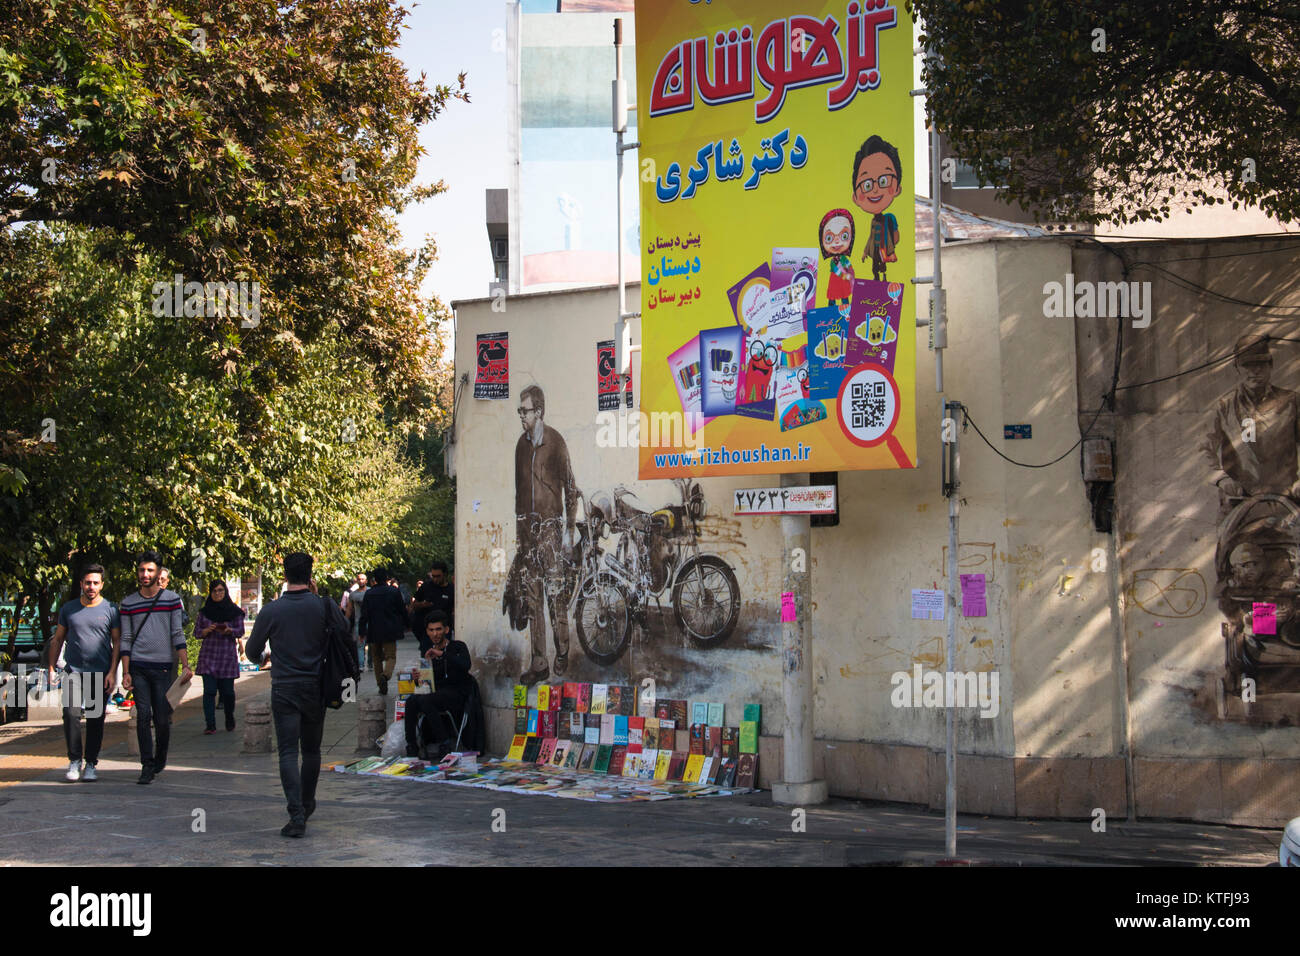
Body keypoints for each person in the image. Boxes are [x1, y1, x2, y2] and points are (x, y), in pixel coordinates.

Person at [243, 552, 353, 838]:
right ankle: (307, 802)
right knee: (313, 750)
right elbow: (345, 633)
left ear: (284, 575)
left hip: (284, 687)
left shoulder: (271, 610)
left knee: (288, 752)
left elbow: (252, 652)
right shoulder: (322, 606)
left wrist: (267, 655)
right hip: (315, 686)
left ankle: (296, 814)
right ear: (310, 575)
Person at [514, 384, 579, 686]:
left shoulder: (555, 442)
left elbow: (571, 488)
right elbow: (518, 495)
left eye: (524, 411)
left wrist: (568, 530)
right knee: (532, 599)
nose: (521, 417)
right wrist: (519, 539)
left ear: (538, 411)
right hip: (527, 533)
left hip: (551, 530)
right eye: (519, 411)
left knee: (555, 596)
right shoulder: (520, 446)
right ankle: (539, 662)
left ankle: (562, 650)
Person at [1204, 333, 1300, 513]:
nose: (1254, 371)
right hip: (1240, 501)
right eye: (1247, 365)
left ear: (1270, 365)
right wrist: (1222, 479)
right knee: (1235, 541)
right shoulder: (1224, 407)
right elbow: (1204, 450)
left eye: (1260, 364)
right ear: (1237, 368)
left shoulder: (1292, 402)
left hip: (1287, 500)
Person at [120, 551, 190, 785]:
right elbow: (126, 638)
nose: (145, 574)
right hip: (138, 667)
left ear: (159, 573)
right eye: (141, 570)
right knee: (143, 715)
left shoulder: (171, 599)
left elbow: (177, 633)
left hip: (163, 668)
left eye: (150, 570)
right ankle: (146, 765)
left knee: (162, 718)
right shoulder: (128, 603)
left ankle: (160, 757)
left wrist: (186, 665)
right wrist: (126, 671)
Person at [47, 565, 120, 782]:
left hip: (100, 673)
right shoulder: (69, 609)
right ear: (81, 584)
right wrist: (51, 668)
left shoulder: (110, 609)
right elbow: (58, 639)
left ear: (102, 585)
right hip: (73, 672)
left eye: (96, 583)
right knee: (70, 714)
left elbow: (117, 642)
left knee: (96, 719)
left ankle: (91, 763)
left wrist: (112, 671)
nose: (91, 586)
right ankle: (74, 760)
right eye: (87, 582)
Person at [404, 611, 472, 758]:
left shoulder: (458, 646)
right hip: (437, 693)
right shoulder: (428, 652)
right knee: (411, 701)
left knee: (426, 700)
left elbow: (465, 665)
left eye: (438, 629)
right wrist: (418, 677)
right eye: (431, 630)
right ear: (427, 632)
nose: (435, 634)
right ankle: (411, 745)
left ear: (446, 630)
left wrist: (443, 654)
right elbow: (428, 681)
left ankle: (444, 742)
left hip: (457, 693)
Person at [195, 580, 246, 734]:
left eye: (220, 591)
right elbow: (197, 632)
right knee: (209, 691)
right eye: (214, 591)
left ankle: (229, 717)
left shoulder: (235, 612)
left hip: (226, 656)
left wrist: (230, 630)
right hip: (209, 656)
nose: (217, 594)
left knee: (228, 692)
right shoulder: (204, 612)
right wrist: (206, 630)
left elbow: (240, 631)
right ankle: (210, 724)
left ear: (225, 592)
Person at [852, 134, 903, 281]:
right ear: (855, 197)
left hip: (884, 250)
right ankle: (876, 280)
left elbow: (894, 234)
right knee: (875, 269)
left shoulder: (889, 218)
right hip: (875, 251)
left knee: (883, 269)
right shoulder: (874, 221)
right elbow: (870, 238)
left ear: (897, 188)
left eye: (883, 180)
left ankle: (884, 281)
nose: (875, 190)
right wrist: (864, 252)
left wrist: (891, 249)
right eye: (867, 185)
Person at [358, 566, 407, 696]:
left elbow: (364, 615)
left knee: (376, 658)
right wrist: (407, 624)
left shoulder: (369, 594)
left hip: (374, 630)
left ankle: (381, 686)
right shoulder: (394, 592)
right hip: (390, 630)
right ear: (386, 578)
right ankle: (385, 676)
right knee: (391, 656)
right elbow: (402, 610)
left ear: (374, 579)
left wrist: (362, 631)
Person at [411, 561, 455, 639]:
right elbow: (414, 604)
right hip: (426, 631)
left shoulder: (451, 589)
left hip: (443, 631)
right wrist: (422, 604)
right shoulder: (426, 586)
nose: (435, 579)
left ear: (445, 575)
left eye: (438, 576)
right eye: (433, 576)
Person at [341, 571, 369, 670]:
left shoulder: (370, 592)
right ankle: (361, 665)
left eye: (363, 579)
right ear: (356, 581)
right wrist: (344, 621)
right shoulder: (353, 595)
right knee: (360, 644)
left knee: (372, 644)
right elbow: (349, 609)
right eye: (359, 579)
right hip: (358, 621)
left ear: (366, 580)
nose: (361, 581)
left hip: (371, 621)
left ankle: (370, 664)